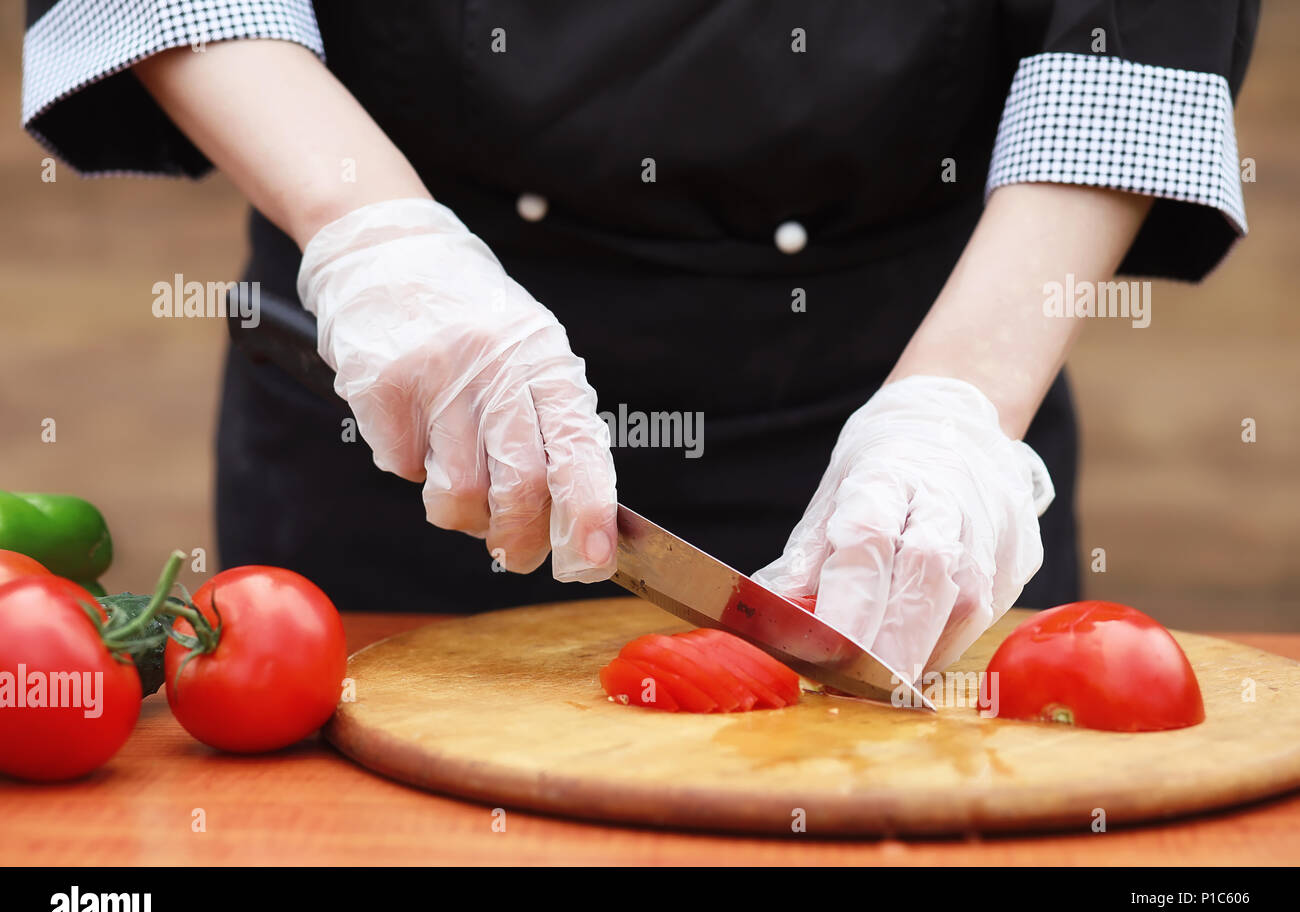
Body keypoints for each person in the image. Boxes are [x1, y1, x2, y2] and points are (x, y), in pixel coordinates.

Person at [21, 1, 1257, 681]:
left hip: (902, 388)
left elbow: (1139, 36)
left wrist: (962, 406)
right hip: (406, 405)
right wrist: (368, 227)